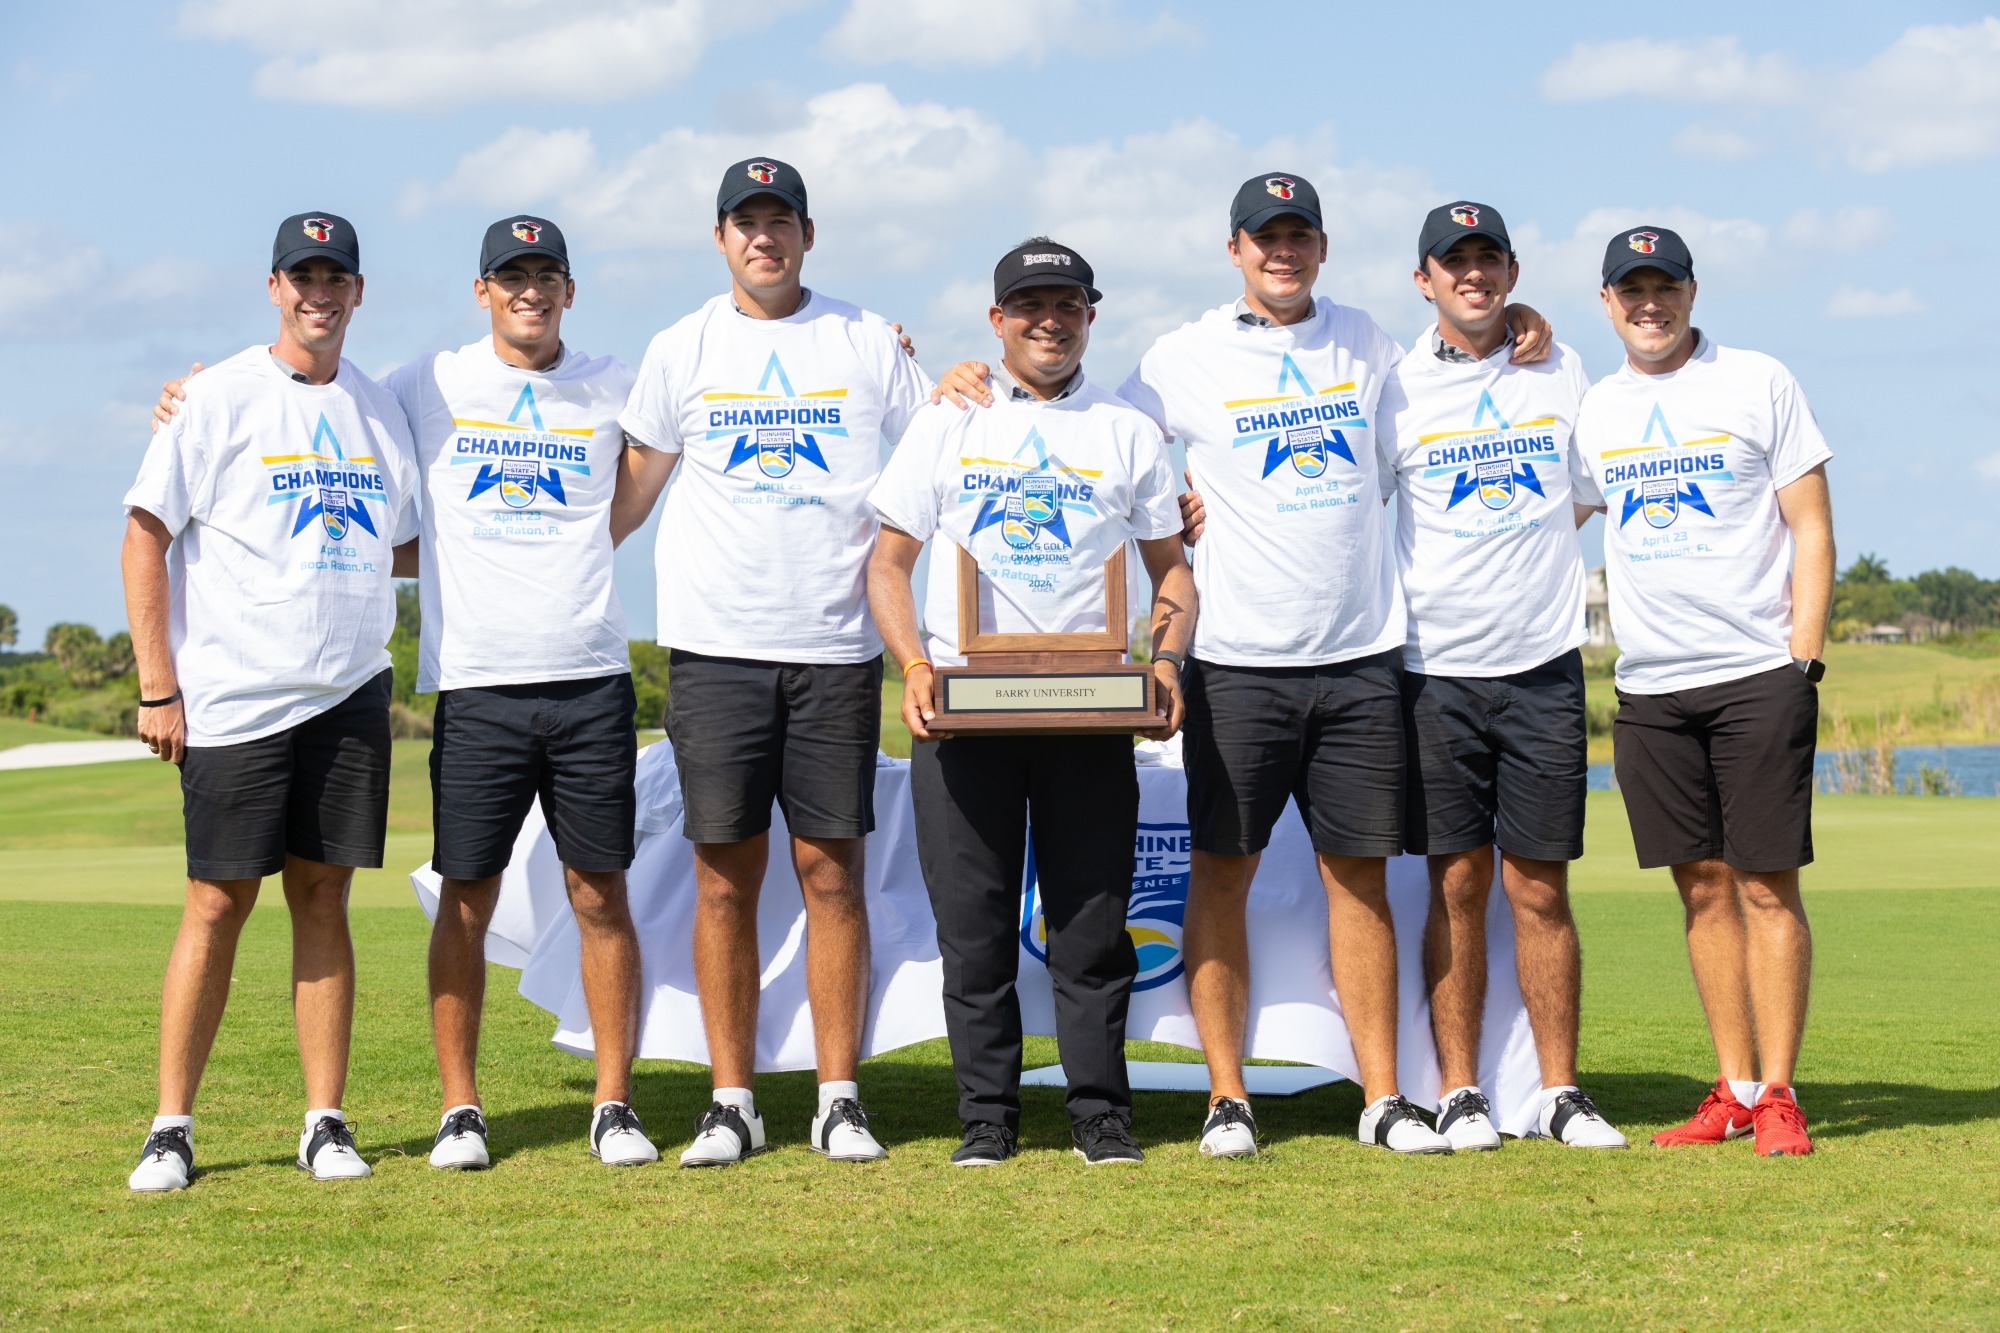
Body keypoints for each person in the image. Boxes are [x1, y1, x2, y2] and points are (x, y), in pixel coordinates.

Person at [150, 217, 661, 1171]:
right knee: (457, 897)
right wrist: (186, 400)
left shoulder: (611, 382)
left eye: (547, 274)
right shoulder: (421, 385)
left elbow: (683, 434)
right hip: (465, 683)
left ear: (569, 289)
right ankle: (453, 1110)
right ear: (482, 291)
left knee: (599, 892)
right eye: (511, 275)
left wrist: (889, 350)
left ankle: (613, 1104)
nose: (530, 290)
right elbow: (272, 453)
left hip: (585, 675)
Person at [1114, 174, 1548, 1159]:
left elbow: (1457, 365)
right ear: (1234, 249)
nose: (1283, 252)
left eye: (1298, 236)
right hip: (1235, 661)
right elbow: (1101, 438)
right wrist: (1159, 502)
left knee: (1358, 882)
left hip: (1360, 662)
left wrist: (1522, 322)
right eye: (1264, 237)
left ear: (1320, 247)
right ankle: (1227, 1097)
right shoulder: (1182, 354)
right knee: (1221, 875)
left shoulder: (1365, 339)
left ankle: (1382, 1096)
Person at [614, 158, 934, 1165]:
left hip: (835, 649)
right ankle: (732, 1099)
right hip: (715, 652)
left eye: (780, 220)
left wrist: (975, 381)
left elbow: (946, 452)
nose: (764, 237)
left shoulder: (866, 340)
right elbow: (623, 499)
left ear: (806, 233)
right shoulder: (681, 347)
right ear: (721, 238)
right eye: (745, 222)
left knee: (831, 873)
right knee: (723, 879)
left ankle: (839, 1097)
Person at [866, 239, 1195, 1166]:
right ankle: (987, 1119)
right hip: (962, 715)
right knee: (973, 933)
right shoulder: (947, 418)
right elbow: (888, 565)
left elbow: (1172, 572)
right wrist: (911, 664)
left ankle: (1100, 1116)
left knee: (1092, 927)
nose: (1050, 322)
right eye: (1030, 306)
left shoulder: (1127, 429)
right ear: (997, 320)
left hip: (1090, 715)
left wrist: (1167, 660)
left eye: (1068, 305)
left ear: (1091, 314)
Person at [123, 213, 420, 1191]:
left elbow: (398, 542)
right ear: (274, 287)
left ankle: (324, 1122)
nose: (318, 294)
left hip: (349, 693)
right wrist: (157, 685)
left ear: (358, 292)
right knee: (217, 901)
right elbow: (145, 534)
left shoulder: (381, 408)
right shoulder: (214, 397)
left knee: (324, 898)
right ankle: (171, 1126)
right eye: (303, 277)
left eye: (335, 279)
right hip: (235, 697)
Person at [1572, 226, 1833, 1158]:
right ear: (1608, 302)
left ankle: (1781, 1093)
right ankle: (1735, 1086)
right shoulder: (1594, 408)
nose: (1650, 303)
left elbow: (1810, 523)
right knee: (1703, 889)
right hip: (1651, 688)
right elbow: (1545, 513)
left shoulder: (1758, 380)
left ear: (1692, 290)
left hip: (1756, 674)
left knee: (1766, 886)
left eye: (1666, 286)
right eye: (1632, 289)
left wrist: (1803, 656)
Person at [1376, 201, 1625, 1150]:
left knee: (1541, 888)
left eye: (1489, 259)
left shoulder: (1560, 367)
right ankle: (1460, 1091)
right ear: (1424, 279)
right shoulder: (1394, 387)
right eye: (1455, 261)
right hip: (1434, 672)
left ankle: (1560, 1091)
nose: (1472, 274)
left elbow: (1586, 493)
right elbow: (1349, 502)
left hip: (1543, 669)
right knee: (1456, 886)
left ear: (1512, 273)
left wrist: (1523, 542)